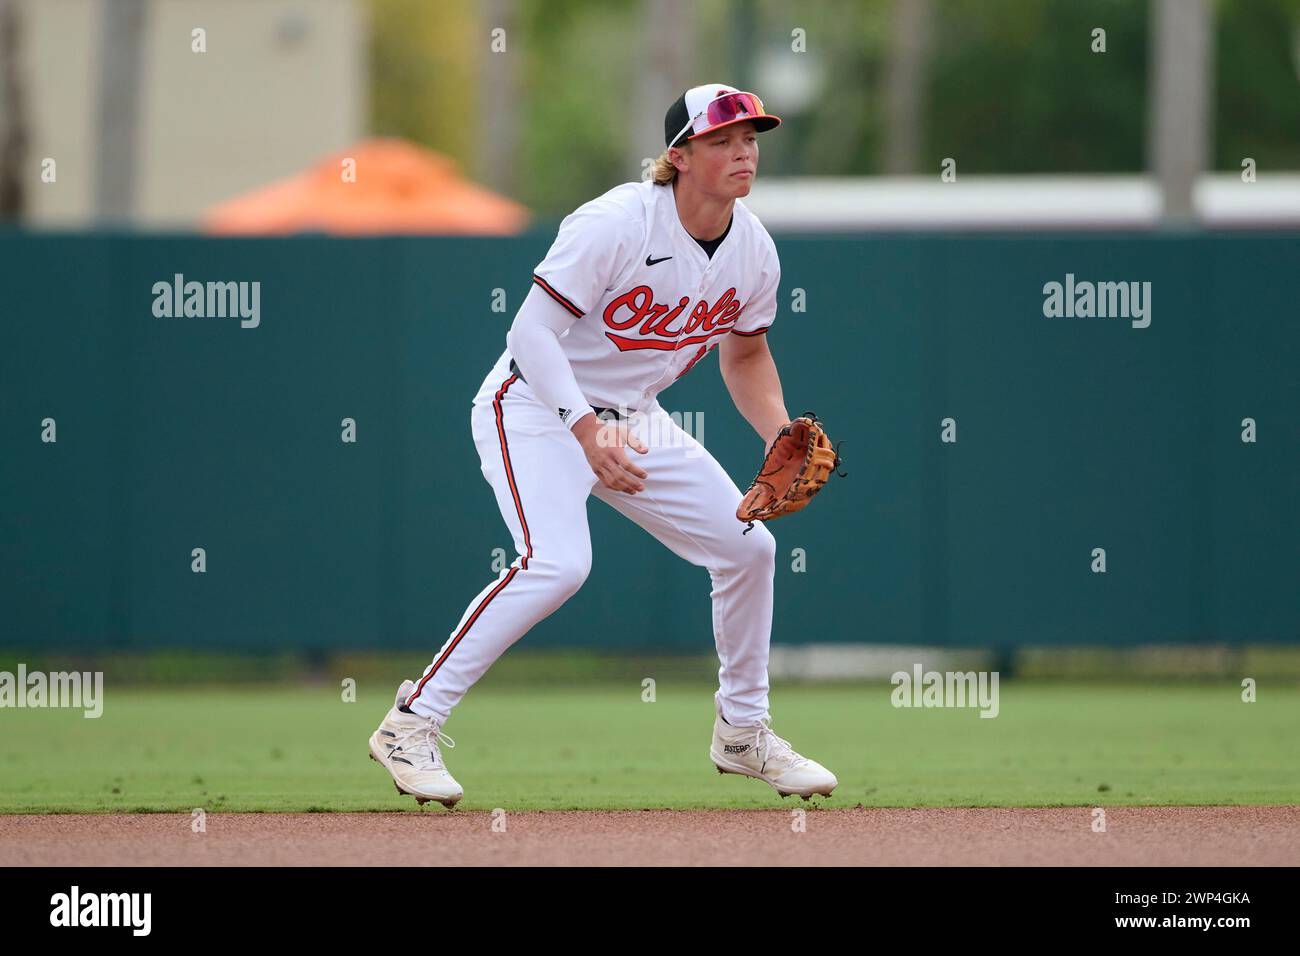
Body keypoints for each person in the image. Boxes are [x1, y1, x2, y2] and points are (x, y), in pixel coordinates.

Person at [369, 84, 838, 807]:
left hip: (631, 415)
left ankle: (743, 734)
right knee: (559, 565)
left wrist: (777, 430)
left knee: (749, 547)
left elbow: (744, 359)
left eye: (751, 138)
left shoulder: (754, 250)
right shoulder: (618, 222)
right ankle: (411, 722)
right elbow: (529, 336)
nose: (744, 151)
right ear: (679, 156)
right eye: (722, 140)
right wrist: (584, 431)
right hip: (530, 404)